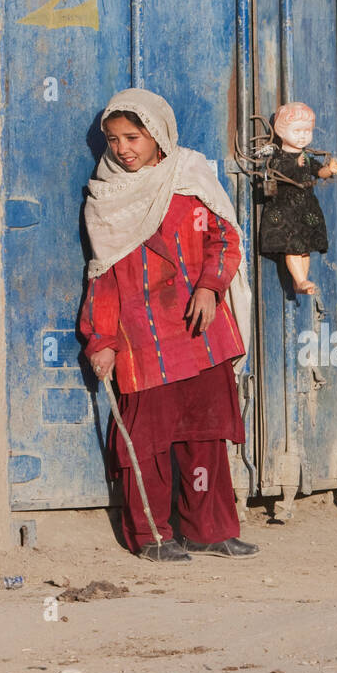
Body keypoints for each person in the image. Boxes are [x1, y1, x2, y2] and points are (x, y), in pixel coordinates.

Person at [79, 88, 259, 563]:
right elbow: (103, 276)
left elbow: (225, 238)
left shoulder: (190, 176)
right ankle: (153, 535)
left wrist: (209, 286)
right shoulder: (106, 197)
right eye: (114, 139)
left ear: (157, 134)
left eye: (133, 137)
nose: (123, 149)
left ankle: (209, 529)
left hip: (200, 332)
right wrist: (102, 340)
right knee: (147, 444)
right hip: (143, 341)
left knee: (206, 436)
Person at [255, 101, 337, 294]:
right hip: (285, 210)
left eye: (307, 131)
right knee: (293, 246)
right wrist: (296, 163)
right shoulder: (279, 156)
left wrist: (329, 169)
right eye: (297, 131)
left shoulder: (306, 156)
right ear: (282, 133)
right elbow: (277, 170)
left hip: (305, 209)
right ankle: (300, 280)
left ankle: (300, 282)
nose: (303, 136)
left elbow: (318, 172)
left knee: (305, 247)